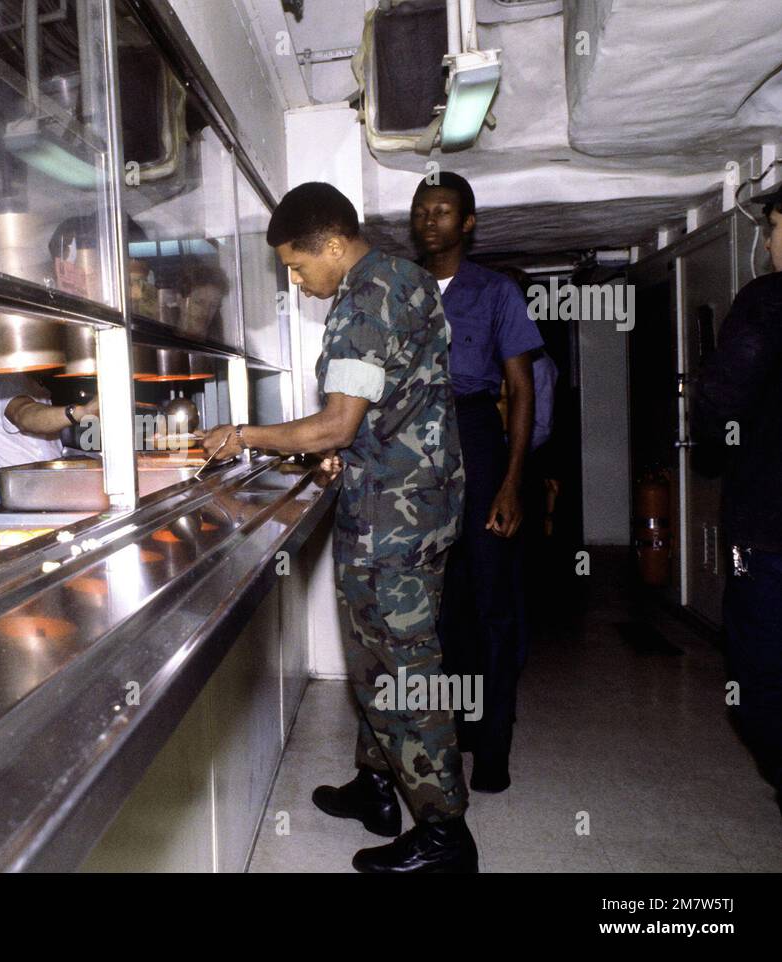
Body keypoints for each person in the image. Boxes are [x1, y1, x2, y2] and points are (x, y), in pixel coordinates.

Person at [200, 182, 475, 873]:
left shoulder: (360, 302)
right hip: (419, 503)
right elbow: (395, 404)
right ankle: (379, 786)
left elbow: (337, 422)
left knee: (406, 668)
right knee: (375, 657)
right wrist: (342, 453)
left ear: (329, 243)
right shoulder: (405, 277)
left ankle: (446, 835)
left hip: (394, 522)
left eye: (296, 265)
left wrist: (244, 437)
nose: (298, 281)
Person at [411, 172, 544, 793]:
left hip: (477, 437)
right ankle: (444, 741)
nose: (430, 219)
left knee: (492, 602)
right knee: (431, 607)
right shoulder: (397, 289)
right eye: (422, 210)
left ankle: (493, 749)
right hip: (411, 449)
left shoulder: (496, 291)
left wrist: (512, 483)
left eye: (443, 211)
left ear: (467, 224)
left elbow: (520, 389)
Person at [692, 184, 782, 817]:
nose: (770, 243)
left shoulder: (768, 301)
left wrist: (712, 449)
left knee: (762, 676)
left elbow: (722, 397)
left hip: (772, 528)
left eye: (774, 229)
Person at [0, 373, 98, 506]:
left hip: (39, 496)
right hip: (20, 500)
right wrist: (84, 412)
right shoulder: (7, 379)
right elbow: (24, 415)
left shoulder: (30, 382)